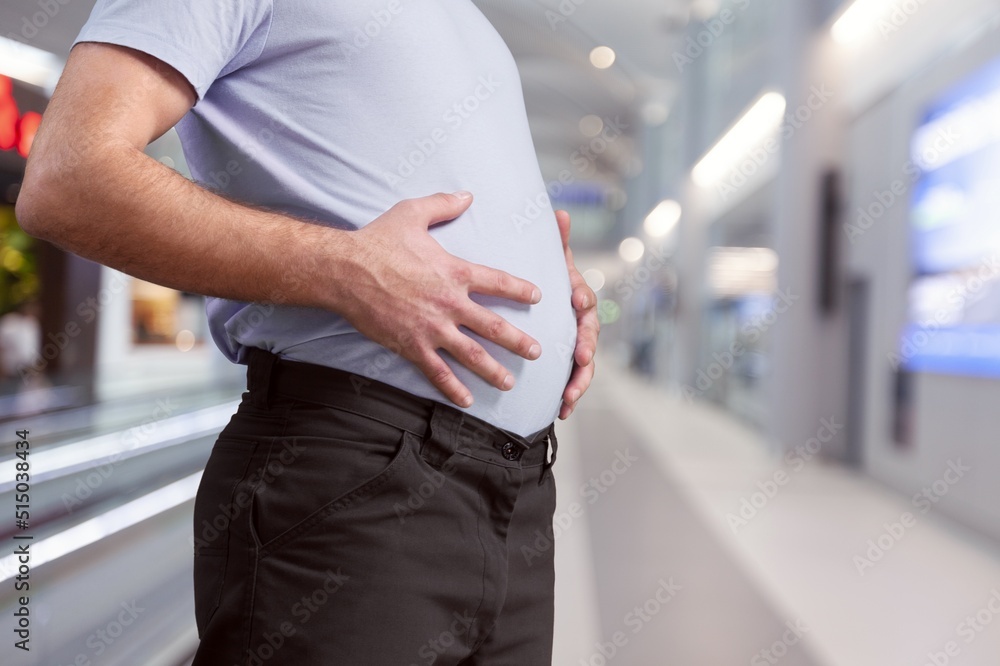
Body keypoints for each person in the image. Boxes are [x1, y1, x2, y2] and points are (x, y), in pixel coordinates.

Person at [16, 1, 599, 663]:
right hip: (361, 470)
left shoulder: (471, 23)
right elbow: (69, 177)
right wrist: (347, 268)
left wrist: (554, 280)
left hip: (519, 493)